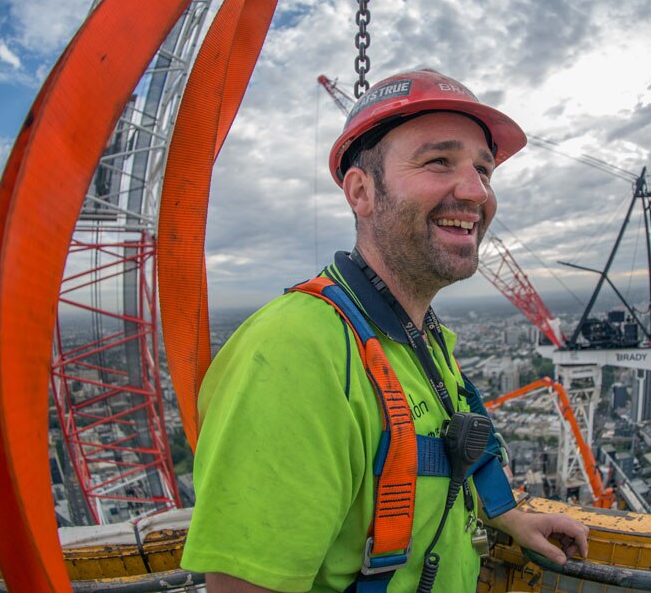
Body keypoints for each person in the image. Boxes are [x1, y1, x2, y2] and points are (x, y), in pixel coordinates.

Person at [181, 69, 589, 592]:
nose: (476, 191)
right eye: (439, 161)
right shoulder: (296, 352)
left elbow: (434, 454)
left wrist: (505, 515)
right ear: (361, 192)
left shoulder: (418, 337)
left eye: (484, 170)